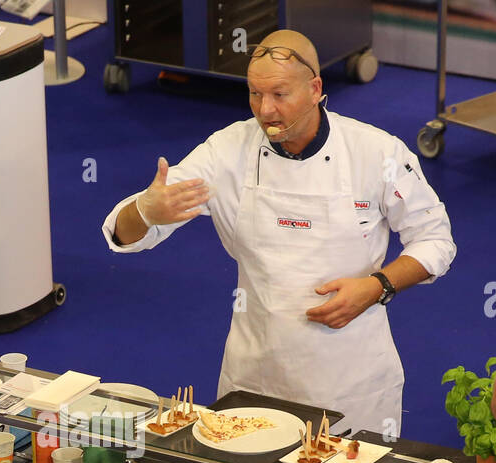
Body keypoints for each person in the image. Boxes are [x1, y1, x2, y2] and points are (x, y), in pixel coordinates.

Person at [101, 30, 455, 436]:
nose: (265, 109)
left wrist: (376, 287)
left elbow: (435, 240)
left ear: (315, 88)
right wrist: (146, 209)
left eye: (279, 95)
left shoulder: (376, 153)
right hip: (255, 377)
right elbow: (123, 233)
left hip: (351, 380)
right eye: (255, 94)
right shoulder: (226, 151)